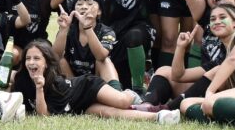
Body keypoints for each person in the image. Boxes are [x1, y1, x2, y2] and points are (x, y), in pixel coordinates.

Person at [13, 40, 180, 124]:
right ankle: (160, 117)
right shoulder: (22, 80)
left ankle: (132, 94)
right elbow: (39, 114)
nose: (31, 62)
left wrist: (40, 88)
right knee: (111, 114)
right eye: (28, 58)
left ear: (46, 63)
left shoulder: (55, 83)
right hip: (79, 107)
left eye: (36, 58)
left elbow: (44, 116)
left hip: (87, 87)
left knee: (122, 101)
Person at [53, 0, 117, 82]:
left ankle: (115, 90)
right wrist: (64, 29)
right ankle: (73, 89)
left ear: (99, 11)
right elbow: (55, 56)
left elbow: (100, 56)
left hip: (98, 82)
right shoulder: (69, 30)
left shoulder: (106, 32)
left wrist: (87, 27)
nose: (84, 7)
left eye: (90, 4)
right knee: (61, 61)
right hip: (73, 81)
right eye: (79, 4)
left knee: (104, 61)